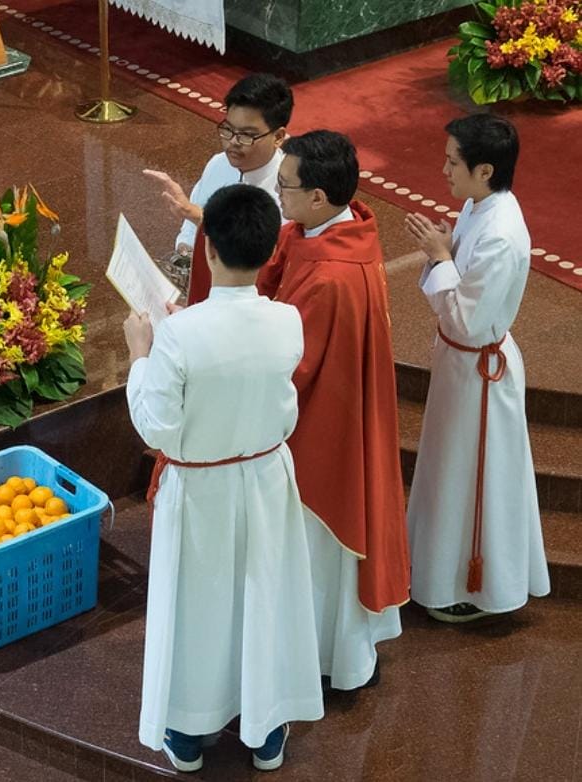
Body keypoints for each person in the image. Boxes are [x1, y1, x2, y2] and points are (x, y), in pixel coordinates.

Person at [124, 184, 323, 773]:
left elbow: (156, 427)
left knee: (200, 606)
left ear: (207, 247)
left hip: (200, 489)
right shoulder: (286, 320)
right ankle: (266, 728)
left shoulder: (178, 335)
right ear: (270, 251)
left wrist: (140, 354)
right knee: (264, 597)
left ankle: (188, 732)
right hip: (264, 479)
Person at [256, 130, 410, 691]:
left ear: (319, 196)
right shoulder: (345, 234)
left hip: (323, 427)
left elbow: (292, 366)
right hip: (343, 408)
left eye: (285, 186)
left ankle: (327, 660)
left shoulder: (330, 275)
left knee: (318, 549)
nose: (279, 195)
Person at [403, 114, 549, 623]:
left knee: (473, 481)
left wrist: (440, 256)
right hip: (460, 366)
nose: (444, 170)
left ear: (484, 170)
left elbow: (466, 321)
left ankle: (475, 585)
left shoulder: (502, 234)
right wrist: (446, 251)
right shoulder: (477, 204)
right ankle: (437, 572)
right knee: (449, 474)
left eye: (452, 162)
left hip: (479, 373)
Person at [143, 73, 293, 304]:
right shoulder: (218, 164)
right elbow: (189, 230)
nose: (233, 142)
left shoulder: (290, 188)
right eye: (228, 130)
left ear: (278, 137)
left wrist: (198, 216)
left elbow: (265, 261)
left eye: (247, 135)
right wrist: (185, 259)